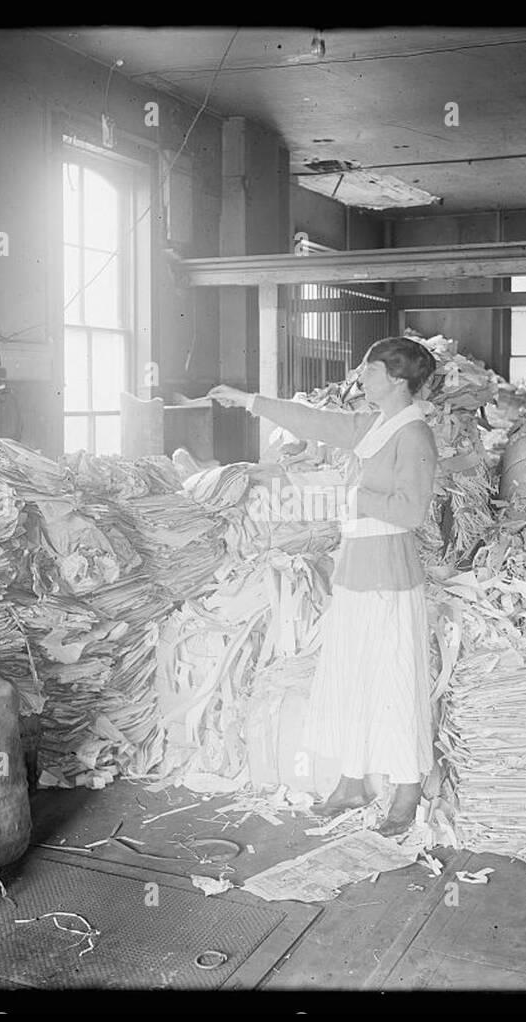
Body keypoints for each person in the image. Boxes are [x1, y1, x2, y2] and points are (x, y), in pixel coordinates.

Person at [209, 337, 438, 836]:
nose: (361, 376)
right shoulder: (375, 425)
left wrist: (356, 494)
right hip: (356, 573)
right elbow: (317, 422)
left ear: (397, 379)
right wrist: (249, 401)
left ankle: (406, 787)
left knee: (393, 681)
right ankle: (353, 780)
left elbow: (411, 511)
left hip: (392, 579)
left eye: (370, 369)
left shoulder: (414, 434)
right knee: (352, 676)